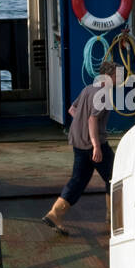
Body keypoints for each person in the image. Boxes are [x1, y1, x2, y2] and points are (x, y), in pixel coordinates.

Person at [43, 60, 118, 235]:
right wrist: (96, 146)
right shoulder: (103, 94)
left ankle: (54, 214)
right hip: (92, 144)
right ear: (108, 75)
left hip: (78, 142)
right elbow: (93, 119)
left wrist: (83, 125)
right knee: (114, 176)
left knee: (78, 180)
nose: (120, 78)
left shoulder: (88, 89)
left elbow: (71, 110)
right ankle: (114, 217)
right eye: (117, 75)